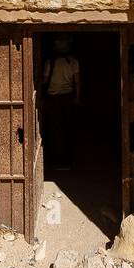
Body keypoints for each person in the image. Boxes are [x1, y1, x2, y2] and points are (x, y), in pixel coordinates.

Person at [42, 36, 80, 170]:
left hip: (53, 98)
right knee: (68, 128)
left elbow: (44, 82)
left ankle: (57, 160)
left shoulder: (49, 62)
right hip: (68, 97)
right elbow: (77, 82)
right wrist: (77, 97)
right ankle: (68, 160)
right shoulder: (73, 62)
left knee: (54, 129)